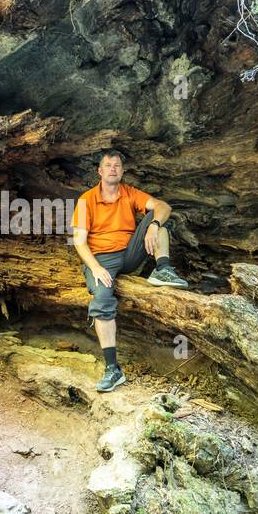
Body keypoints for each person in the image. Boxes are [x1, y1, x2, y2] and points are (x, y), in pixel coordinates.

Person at [71, 149, 188, 392]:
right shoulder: (86, 200)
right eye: (108, 165)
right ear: (100, 171)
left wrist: (153, 225)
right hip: (102, 258)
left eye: (117, 165)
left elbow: (163, 206)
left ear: (122, 172)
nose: (113, 168)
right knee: (102, 299)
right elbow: (79, 242)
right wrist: (96, 268)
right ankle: (113, 369)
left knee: (162, 222)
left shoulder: (129, 193)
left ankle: (163, 269)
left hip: (130, 253)